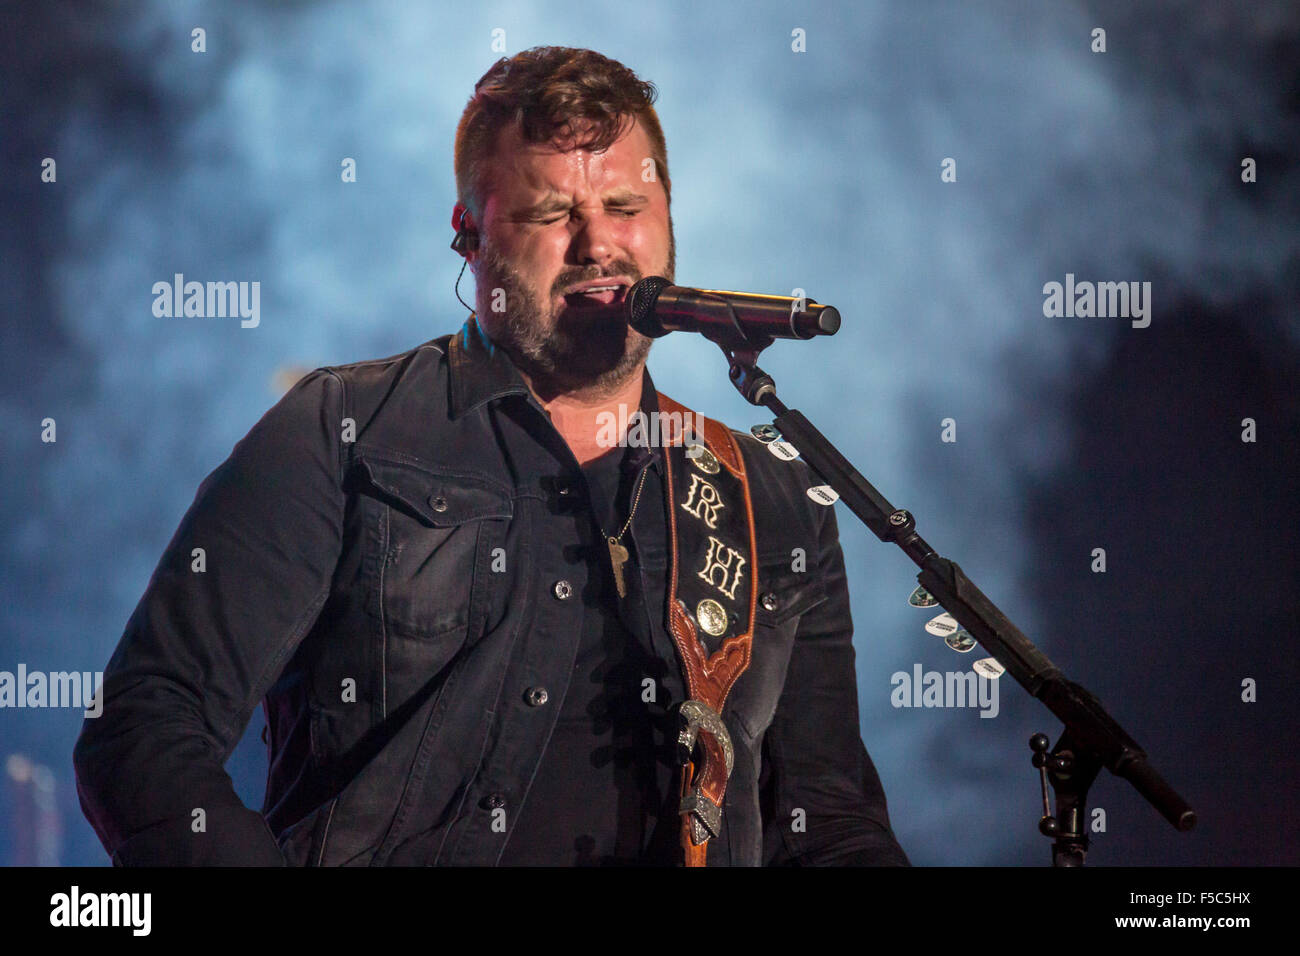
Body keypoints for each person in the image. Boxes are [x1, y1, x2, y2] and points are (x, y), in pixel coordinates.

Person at [73, 46, 909, 867]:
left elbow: (826, 823)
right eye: (552, 214)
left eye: (625, 206)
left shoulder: (767, 503)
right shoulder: (341, 432)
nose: (598, 246)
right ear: (468, 236)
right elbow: (145, 728)